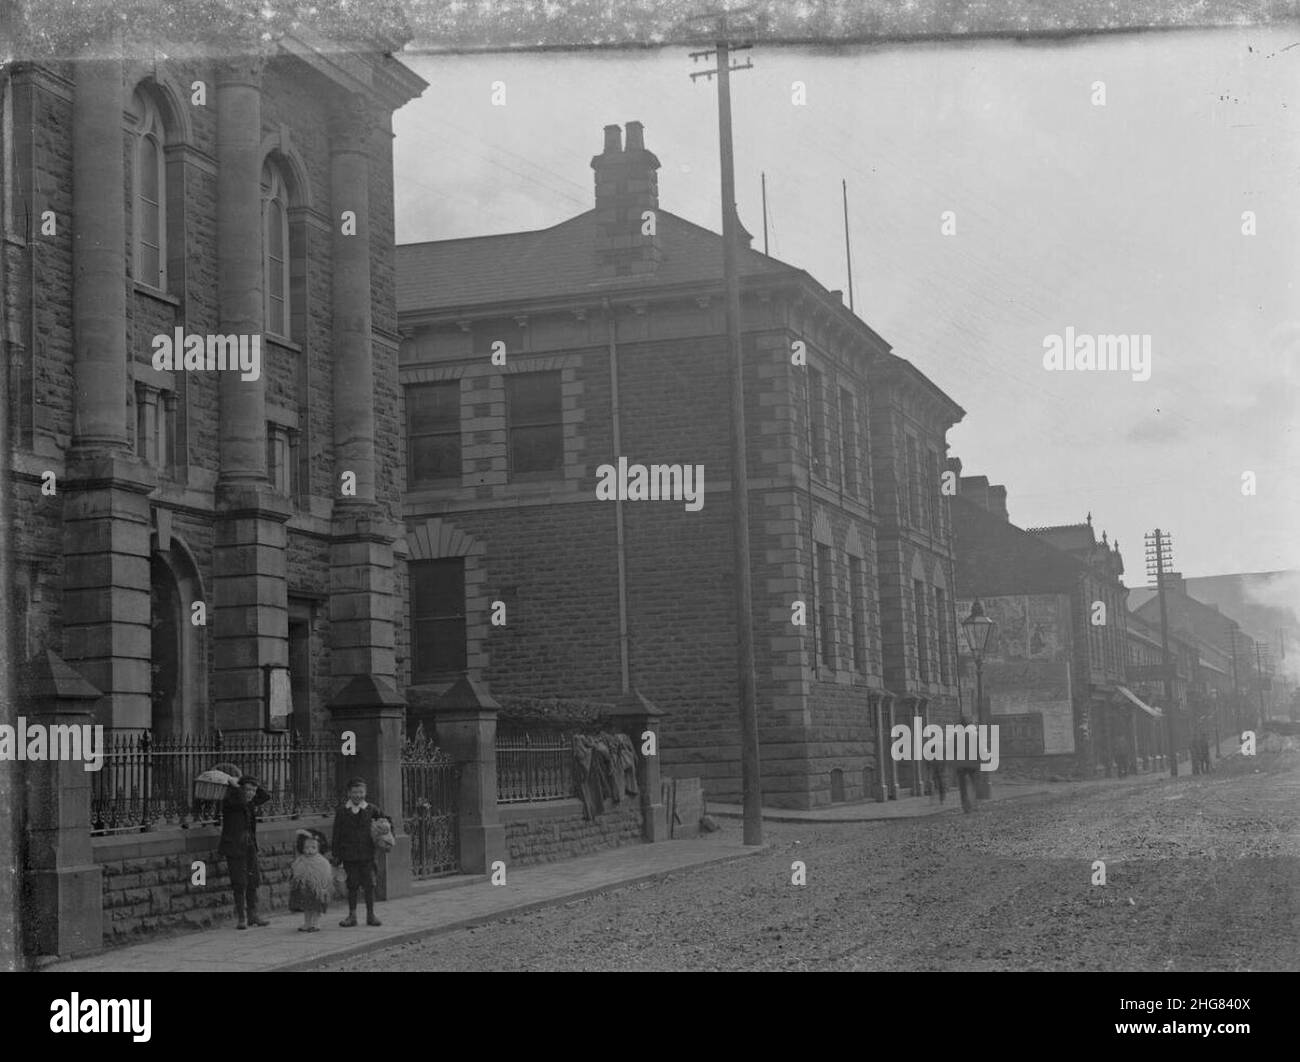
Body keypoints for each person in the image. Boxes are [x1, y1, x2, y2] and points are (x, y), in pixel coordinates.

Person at [217, 775, 271, 930]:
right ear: (240, 790)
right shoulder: (230, 801)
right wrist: (236, 787)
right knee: (239, 882)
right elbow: (240, 800)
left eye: (253, 790)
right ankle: (241, 917)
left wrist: (252, 785)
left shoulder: (250, 802)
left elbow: (265, 796)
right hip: (234, 847)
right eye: (247, 790)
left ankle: (253, 915)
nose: (251, 793)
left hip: (249, 846)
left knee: (253, 880)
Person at [331, 777, 386, 927]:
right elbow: (337, 833)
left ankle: (371, 915)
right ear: (349, 793)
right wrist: (336, 854)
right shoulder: (342, 811)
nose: (358, 795)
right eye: (354, 792)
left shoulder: (372, 810)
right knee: (352, 885)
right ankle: (352, 915)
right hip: (349, 855)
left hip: (367, 854)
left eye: (361, 792)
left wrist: (385, 833)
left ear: (365, 792)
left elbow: (385, 824)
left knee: (369, 885)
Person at [289, 829, 333, 933]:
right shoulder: (300, 861)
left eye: (313, 847)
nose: (309, 850)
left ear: (318, 848)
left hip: (317, 888)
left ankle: (316, 923)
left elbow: (326, 875)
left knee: (316, 906)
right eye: (307, 847)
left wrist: (324, 887)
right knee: (306, 907)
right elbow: (296, 873)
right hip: (305, 887)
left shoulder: (322, 862)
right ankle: (307, 923)